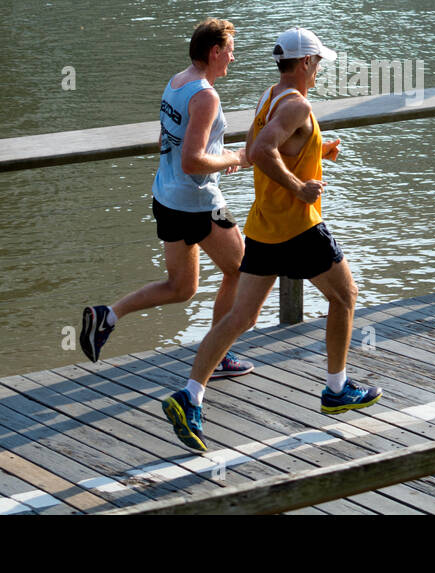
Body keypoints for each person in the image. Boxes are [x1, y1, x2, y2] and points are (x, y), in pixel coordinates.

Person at [162, 28, 382, 453]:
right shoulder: (298, 104)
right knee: (345, 297)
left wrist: (319, 151)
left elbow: (268, 144)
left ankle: (189, 396)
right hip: (299, 228)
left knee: (240, 318)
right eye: (316, 63)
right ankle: (336, 389)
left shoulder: (271, 97)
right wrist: (301, 186)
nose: (319, 70)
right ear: (304, 63)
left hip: (263, 227)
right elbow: (262, 150)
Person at [79, 18, 255, 381]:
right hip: (199, 203)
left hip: (167, 196)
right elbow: (193, 161)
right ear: (215, 51)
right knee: (241, 268)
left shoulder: (177, 82)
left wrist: (216, 155)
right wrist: (234, 157)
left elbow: (174, 141)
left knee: (181, 287)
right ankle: (218, 355)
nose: (233, 60)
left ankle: (107, 316)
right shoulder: (206, 95)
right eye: (231, 52)